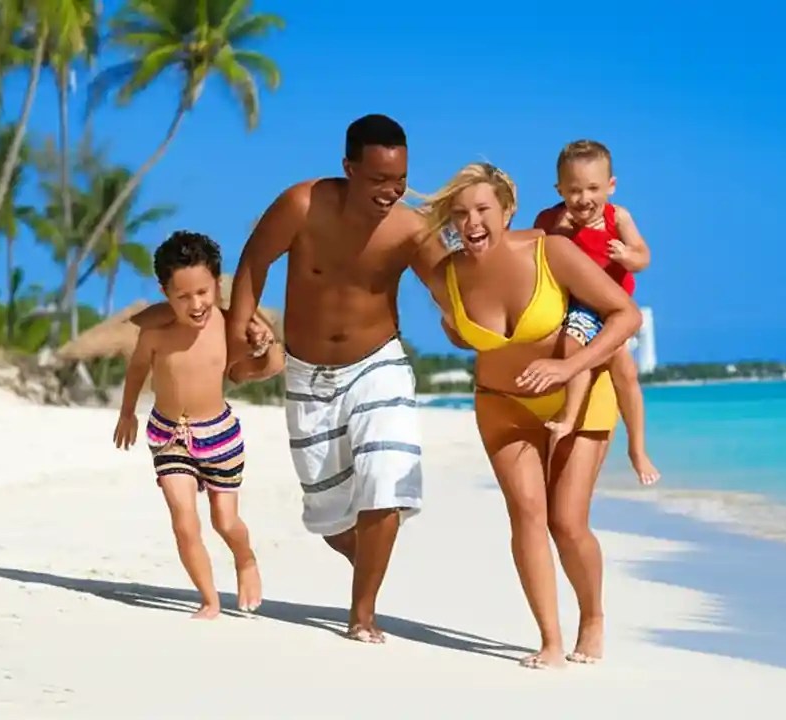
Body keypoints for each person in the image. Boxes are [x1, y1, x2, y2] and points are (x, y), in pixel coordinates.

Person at [130, 114, 451, 643]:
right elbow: (254, 263)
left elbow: (456, 295)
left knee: (386, 478)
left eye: (400, 180)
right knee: (330, 520)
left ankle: (362, 614)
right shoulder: (303, 204)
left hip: (379, 363)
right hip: (309, 374)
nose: (390, 191)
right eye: (377, 179)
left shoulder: (411, 230)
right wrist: (239, 339)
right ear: (349, 168)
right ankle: (372, 562)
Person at [418, 163, 641, 668]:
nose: (472, 223)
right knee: (526, 515)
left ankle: (592, 618)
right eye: (460, 214)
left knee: (567, 522)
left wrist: (570, 367)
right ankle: (550, 640)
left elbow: (625, 315)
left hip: (580, 396)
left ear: (507, 211)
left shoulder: (551, 252)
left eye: (482, 210)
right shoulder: (445, 276)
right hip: (502, 403)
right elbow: (458, 332)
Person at [113, 230, 284, 620]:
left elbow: (268, 367)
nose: (195, 304)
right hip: (169, 435)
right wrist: (127, 412)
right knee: (184, 521)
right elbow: (137, 368)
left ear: (217, 285)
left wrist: (265, 342)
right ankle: (209, 598)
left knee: (225, 521)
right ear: (165, 293)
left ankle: (245, 559)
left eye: (203, 292)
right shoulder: (154, 333)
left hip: (220, 435)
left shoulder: (228, 326)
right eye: (183, 296)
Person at [533, 139, 660, 485]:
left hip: (614, 308)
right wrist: (557, 234)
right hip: (578, 305)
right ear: (560, 189)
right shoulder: (550, 219)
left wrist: (627, 256)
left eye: (593, 188)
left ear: (611, 186)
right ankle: (569, 416)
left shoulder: (618, 218)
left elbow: (644, 256)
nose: (583, 198)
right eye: (574, 190)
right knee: (574, 345)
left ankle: (637, 449)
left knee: (627, 374)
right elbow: (533, 256)